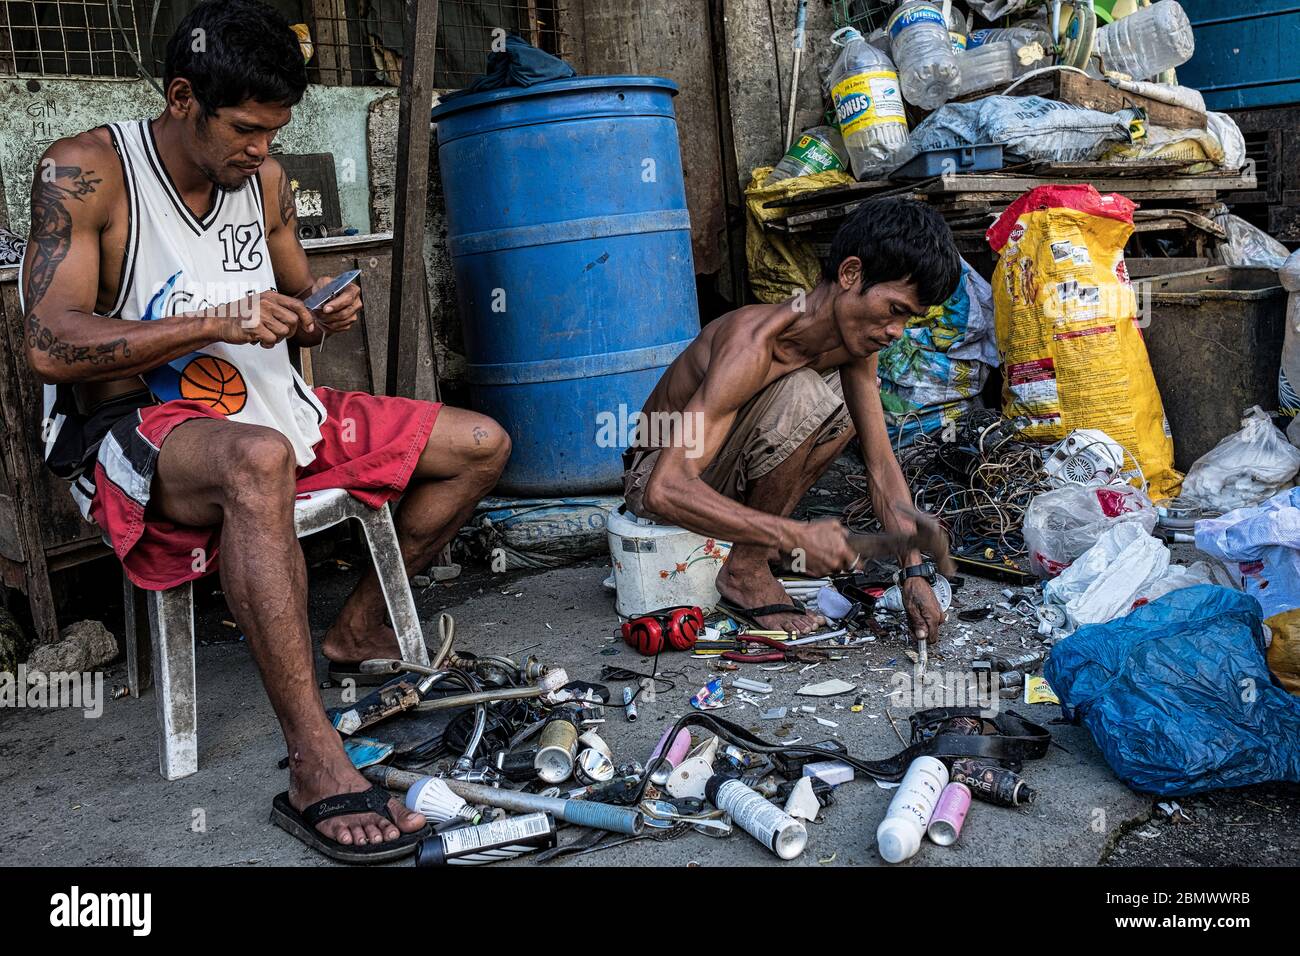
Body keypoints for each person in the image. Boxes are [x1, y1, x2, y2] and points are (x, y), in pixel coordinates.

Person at [20, 0, 510, 862]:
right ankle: (315, 756)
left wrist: (322, 313)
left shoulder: (267, 182)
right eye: (246, 129)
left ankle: (355, 631)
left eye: (275, 132)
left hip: (268, 403)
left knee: (482, 443)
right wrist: (212, 321)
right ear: (181, 98)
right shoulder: (87, 172)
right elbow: (51, 345)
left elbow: (293, 304)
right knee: (258, 459)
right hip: (136, 426)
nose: (261, 150)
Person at [624, 197, 962, 639]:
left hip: (718, 475)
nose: (897, 331)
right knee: (804, 392)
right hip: (655, 477)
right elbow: (664, 489)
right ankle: (745, 567)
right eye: (895, 310)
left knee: (839, 396)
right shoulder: (752, 344)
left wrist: (913, 570)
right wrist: (794, 535)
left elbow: (881, 464)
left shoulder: (856, 346)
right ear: (850, 274)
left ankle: (755, 553)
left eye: (908, 318)